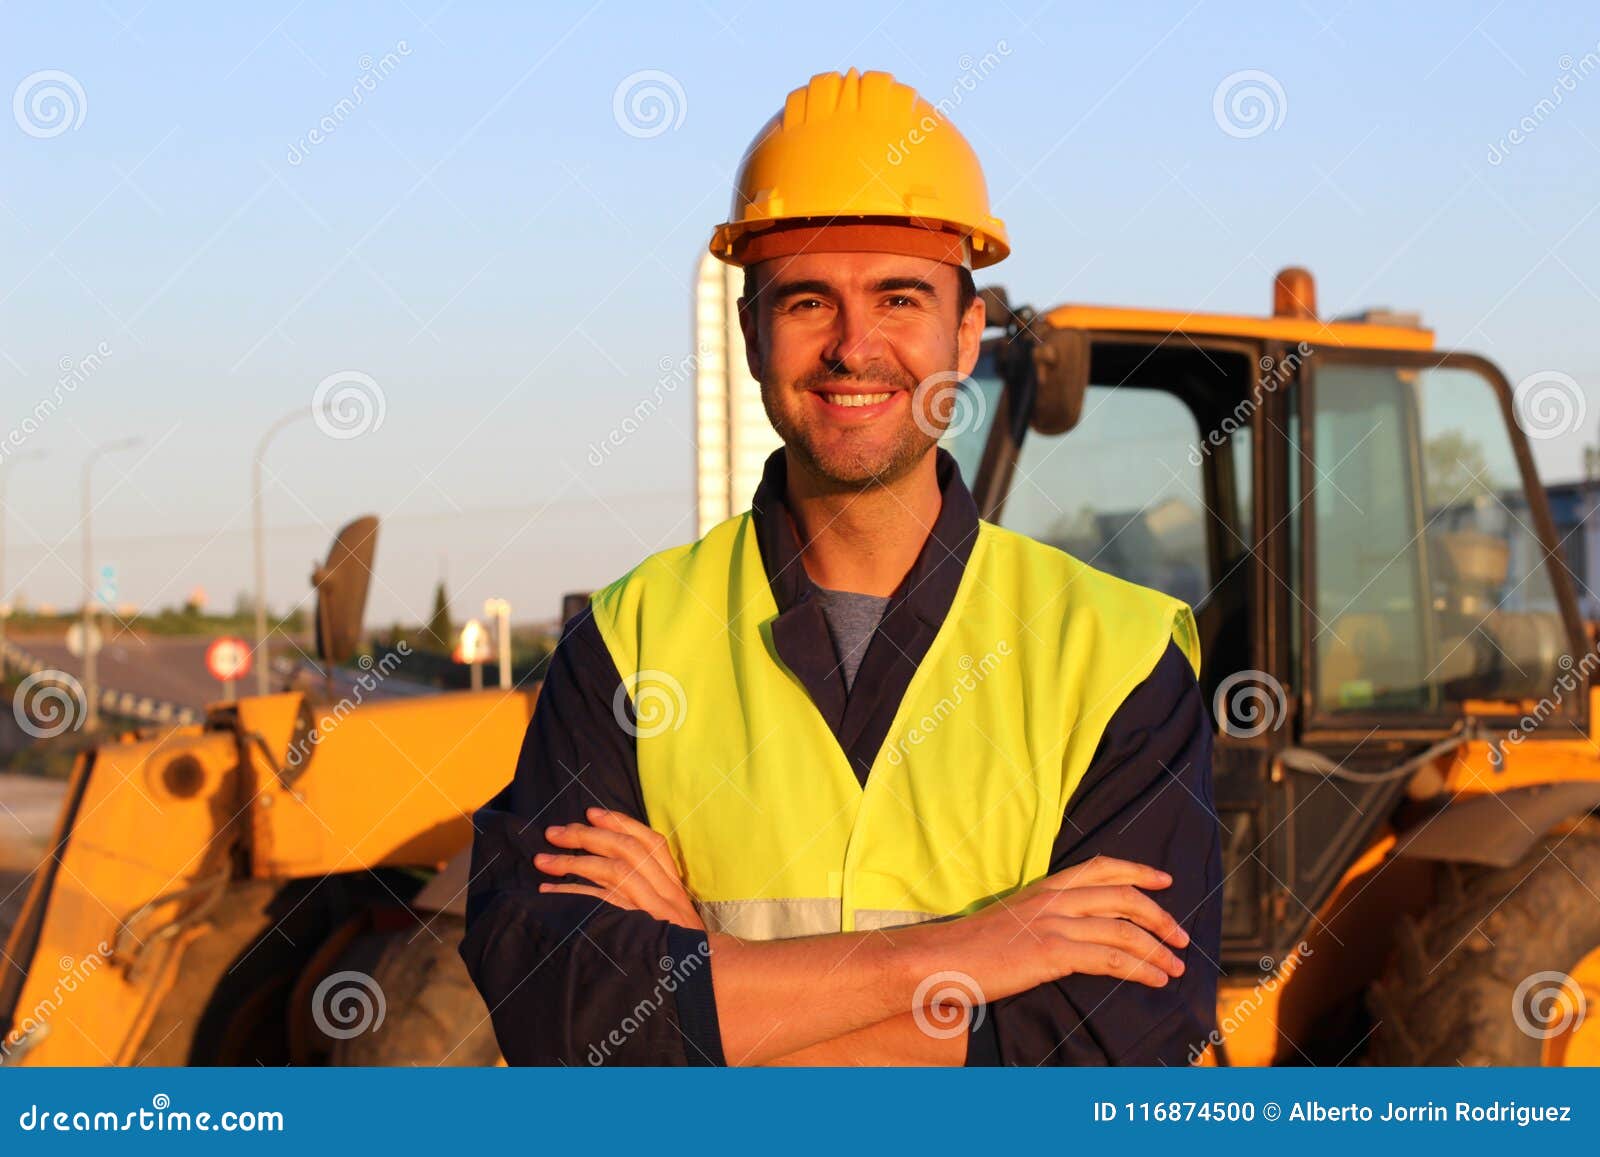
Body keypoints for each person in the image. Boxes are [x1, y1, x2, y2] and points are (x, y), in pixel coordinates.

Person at [461, 68, 1220, 1066]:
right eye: (808, 299)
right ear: (749, 335)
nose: (854, 345)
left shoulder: (1115, 656)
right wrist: (961, 957)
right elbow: (555, 1012)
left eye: (898, 297)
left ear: (965, 330)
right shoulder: (628, 639)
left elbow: (1107, 1052)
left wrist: (710, 975)